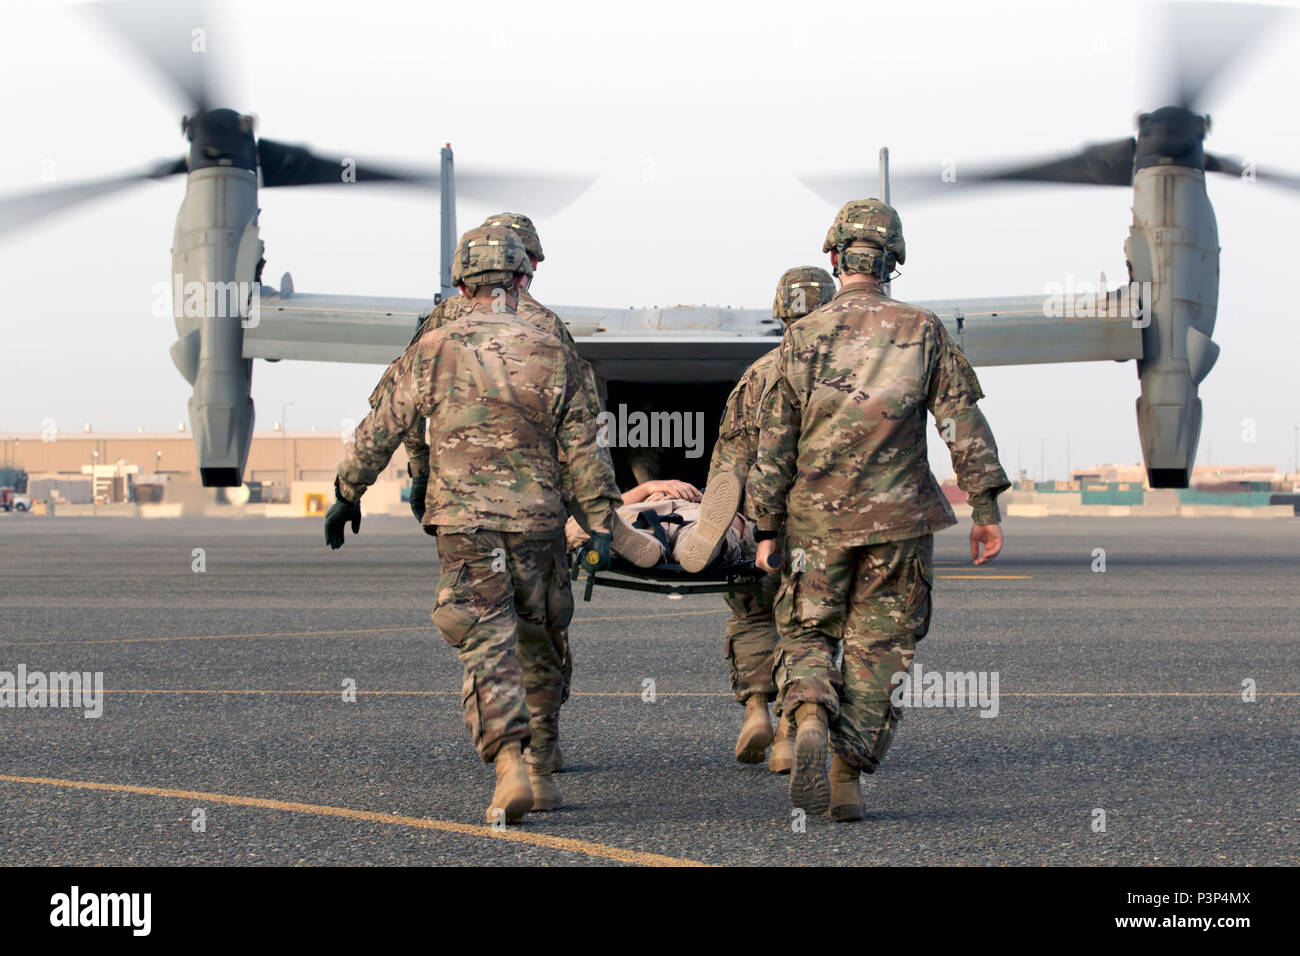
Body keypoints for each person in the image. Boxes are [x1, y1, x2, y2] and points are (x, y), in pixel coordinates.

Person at [325, 224, 622, 825]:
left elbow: (382, 425)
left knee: (486, 639)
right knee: (539, 636)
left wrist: (346, 493)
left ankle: (508, 760)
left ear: (461, 283)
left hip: (463, 517)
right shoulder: (551, 346)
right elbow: (584, 448)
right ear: (521, 278)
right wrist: (600, 524)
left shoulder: (432, 348)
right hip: (537, 520)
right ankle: (541, 769)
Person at [748, 199, 1011, 822]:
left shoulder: (803, 336)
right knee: (880, 647)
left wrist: (764, 526)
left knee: (809, 630)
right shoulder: (923, 330)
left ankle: (809, 709)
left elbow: (773, 441)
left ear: (834, 257)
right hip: (898, 523)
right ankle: (846, 774)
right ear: (892, 260)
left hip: (814, 522)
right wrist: (984, 507)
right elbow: (961, 421)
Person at [708, 267, 837, 770]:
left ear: (781, 313)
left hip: (761, 522)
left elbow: (729, 463)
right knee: (810, 628)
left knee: (751, 615)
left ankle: (757, 710)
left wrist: (727, 523)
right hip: (825, 526)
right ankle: (789, 731)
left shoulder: (757, 375)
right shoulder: (851, 375)